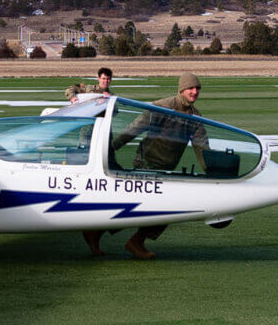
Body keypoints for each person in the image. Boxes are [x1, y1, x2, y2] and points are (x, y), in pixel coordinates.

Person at [82, 73, 208, 259]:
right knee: (147, 206)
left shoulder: (196, 116)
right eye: (191, 88)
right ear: (181, 89)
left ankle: (100, 233)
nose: (195, 91)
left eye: (197, 88)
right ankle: (131, 240)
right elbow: (135, 128)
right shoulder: (163, 107)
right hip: (147, 162)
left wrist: (210, 168)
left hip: (166, 167)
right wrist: (111, 148)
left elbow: (202, 146)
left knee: (159, 207)